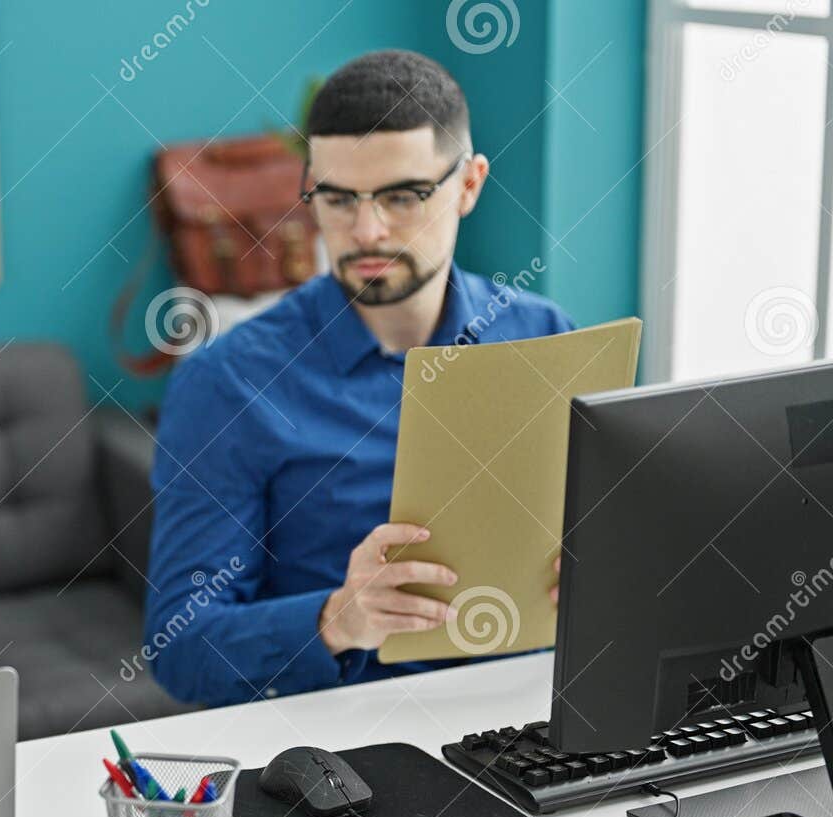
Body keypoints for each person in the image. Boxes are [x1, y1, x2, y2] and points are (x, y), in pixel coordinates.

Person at [146, 49, 573, 707]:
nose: (365, 231)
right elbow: (180, 650)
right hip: (346, 749)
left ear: (468, 185)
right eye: (338, 199)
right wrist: (338, 620)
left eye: (403, 196)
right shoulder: (227, 384)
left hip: (532, 715)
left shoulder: (544, 336)